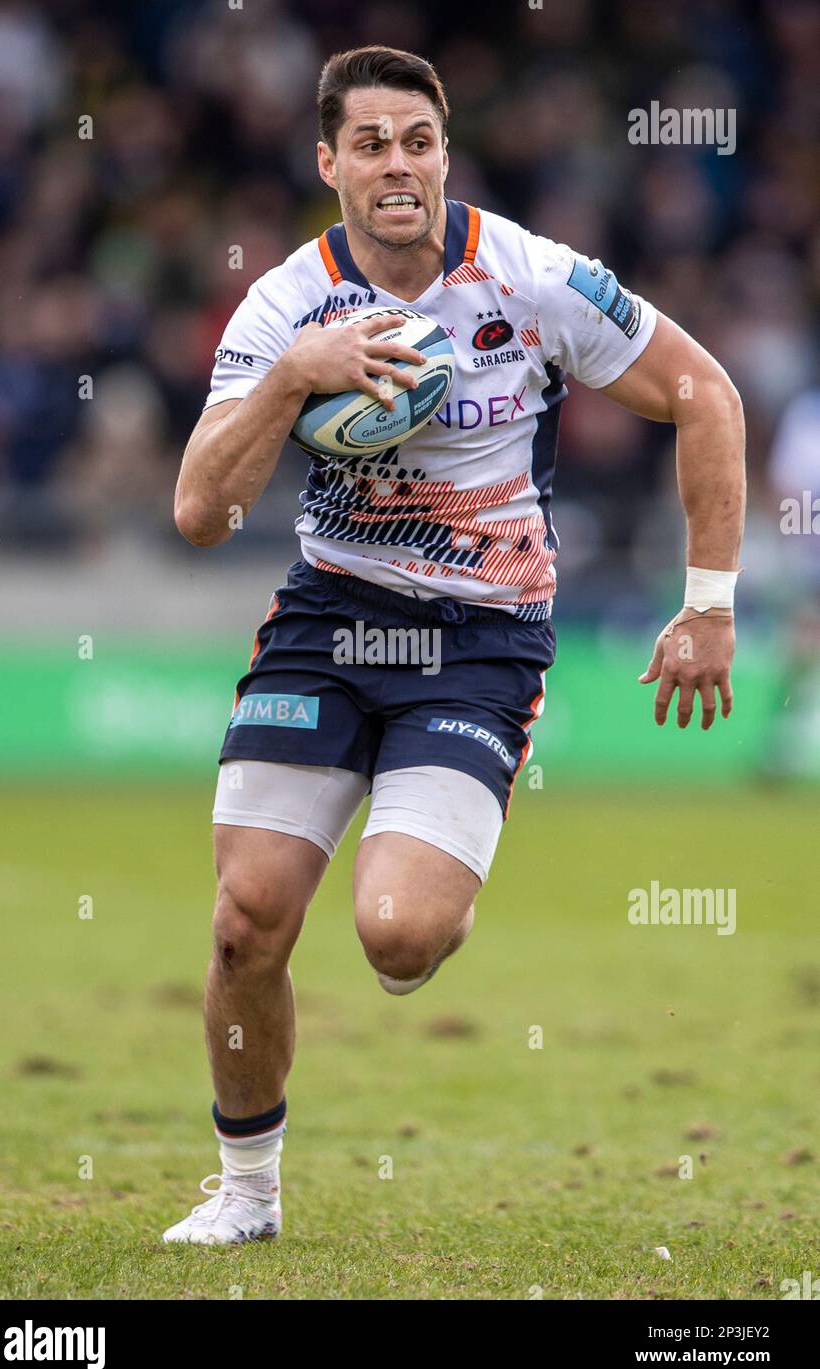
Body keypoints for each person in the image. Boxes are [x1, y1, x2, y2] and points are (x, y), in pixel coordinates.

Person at [163, 45, 745, 1244]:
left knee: (398, 938)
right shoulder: (283, 304)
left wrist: (707, 604)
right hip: (326, 623)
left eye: (417, 142)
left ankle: (431, 864)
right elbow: (199, 516)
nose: (396, 164)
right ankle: (246, 1196)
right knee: (244, 919)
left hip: (479, 639)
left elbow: (706, 395)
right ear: (326, 162)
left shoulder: (528, 278)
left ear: (444, 156)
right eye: (369, 143)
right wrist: (292, 381)